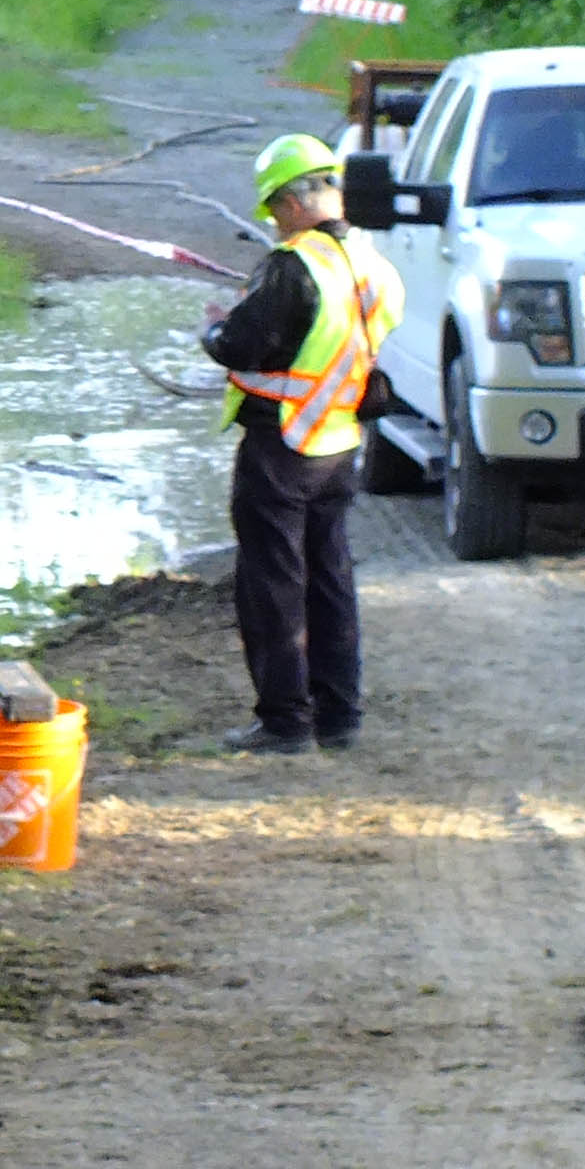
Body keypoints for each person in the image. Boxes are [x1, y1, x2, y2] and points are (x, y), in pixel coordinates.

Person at [199, 132, 408, 755]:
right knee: (330, 579)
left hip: (282, 444)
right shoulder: (374, 265)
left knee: (273, 583)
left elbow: (240, 346)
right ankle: (339, 716)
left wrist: (213, 327)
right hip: (340, 444)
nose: (274, 224)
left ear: (291, 202)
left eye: (273, 211)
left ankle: (285, 721)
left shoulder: (294, 265)